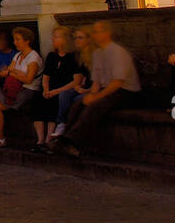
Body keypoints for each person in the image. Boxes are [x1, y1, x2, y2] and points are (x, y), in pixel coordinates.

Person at [52, 21, 141, 158]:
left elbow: (117, 82)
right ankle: (65, 139)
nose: (94, 35)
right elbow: (97, 82)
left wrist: (96, 97)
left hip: (125, 91)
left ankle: (73, 141)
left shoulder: (117, 52)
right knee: (78, 104)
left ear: (106, 33)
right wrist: (91, 95)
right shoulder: (98, 53)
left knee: (96, 105)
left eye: (97, 31)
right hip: (107, 89)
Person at [31, 27, 84, 152]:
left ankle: (49, 139)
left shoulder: (74, 57)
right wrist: (46, 89)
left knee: (55, 102)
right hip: (50, 89)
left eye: (57, 36)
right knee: (38, 100)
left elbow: (76, 81)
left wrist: (56, 91)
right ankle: (40, 139)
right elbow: (46, 76)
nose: (53, 39)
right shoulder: (51, 56)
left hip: (63, 89)